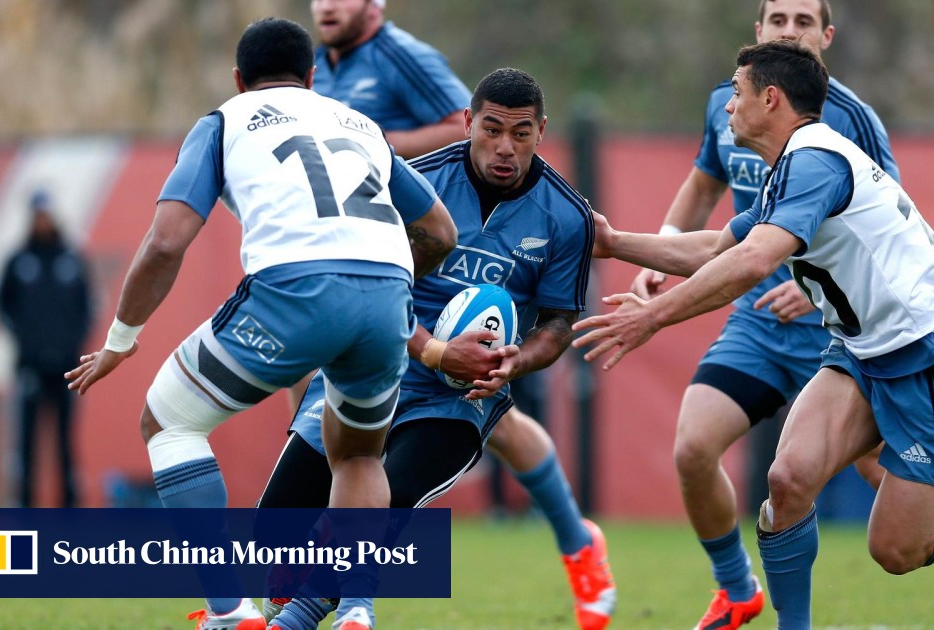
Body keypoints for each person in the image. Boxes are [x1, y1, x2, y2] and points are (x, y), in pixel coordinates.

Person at [574, 39, 934, 630]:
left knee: (897, 551)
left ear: (770, 98)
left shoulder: (815, 160)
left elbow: (752, 262)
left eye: (737, 93)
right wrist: (615, 243)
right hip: (863, 355)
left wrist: (652, 317)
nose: (727, 106)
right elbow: (718, 249)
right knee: (788, 481)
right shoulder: (788, 169)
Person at [64, 17, 456, 630]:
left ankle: (228, 610)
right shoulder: (359, 125)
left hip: (295, 292)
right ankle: (356, 608)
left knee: (168, 421)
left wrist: (121, 340)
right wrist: (390, 284)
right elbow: (440, 231)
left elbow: (166, 242)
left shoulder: (225, 120)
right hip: (387, 300)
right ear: (311, 78)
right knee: (359, 453)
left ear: (239, 80)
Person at [282, 6, 615, 627]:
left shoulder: (565, 215)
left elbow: (557, 325)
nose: (505, 147)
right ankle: (302, 601)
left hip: (457, 396)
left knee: (393, 493)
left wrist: (517, 360)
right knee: (275, 543)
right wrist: (433, 349)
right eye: (492, 130)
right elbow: (368, 292)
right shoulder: (413, 184)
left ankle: (324, 611)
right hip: (382, 351)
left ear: (542, 132)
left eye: (521, 133)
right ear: (469, 123)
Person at [0, 190, 93, 508]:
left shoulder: (71, 260)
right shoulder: (18, 261)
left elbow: (87, 310)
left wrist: (72, 344)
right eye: (37, 216)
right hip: (30, 365)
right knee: (27, 441)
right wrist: (25, 338)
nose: (42, 222)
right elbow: (1, 305)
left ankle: (69, 507)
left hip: (66, 367)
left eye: (46, 215)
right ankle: (25, 506)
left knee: (65, 440)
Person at [308, 0, 470, 159]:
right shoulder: (311, 64)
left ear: (374, 7)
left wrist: (371, 141)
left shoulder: (401, 55)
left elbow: (466, 128)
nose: (326, 7)